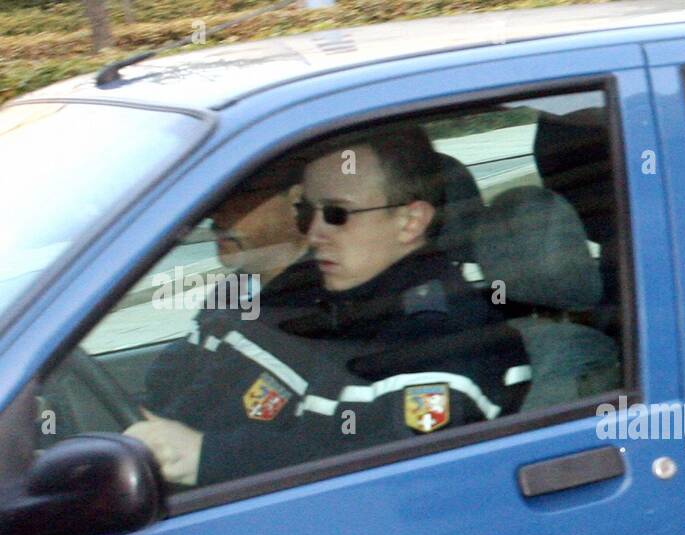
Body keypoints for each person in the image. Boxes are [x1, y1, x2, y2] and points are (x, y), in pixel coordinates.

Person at [125, 125, 528, 488]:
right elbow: (200, 386)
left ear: (410, 221)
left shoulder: (449, 336)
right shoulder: (299, 293)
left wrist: (206, 456)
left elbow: (390, 472)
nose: (315, 232)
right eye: (307, 212)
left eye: (337, 213)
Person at [141, 158, 318, 417]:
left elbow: (234, 417)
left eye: (237, 197)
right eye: (215, 199)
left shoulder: (313, 307)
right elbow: (167, 376)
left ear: (295, 201)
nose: (215, 216)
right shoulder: (236, 287)